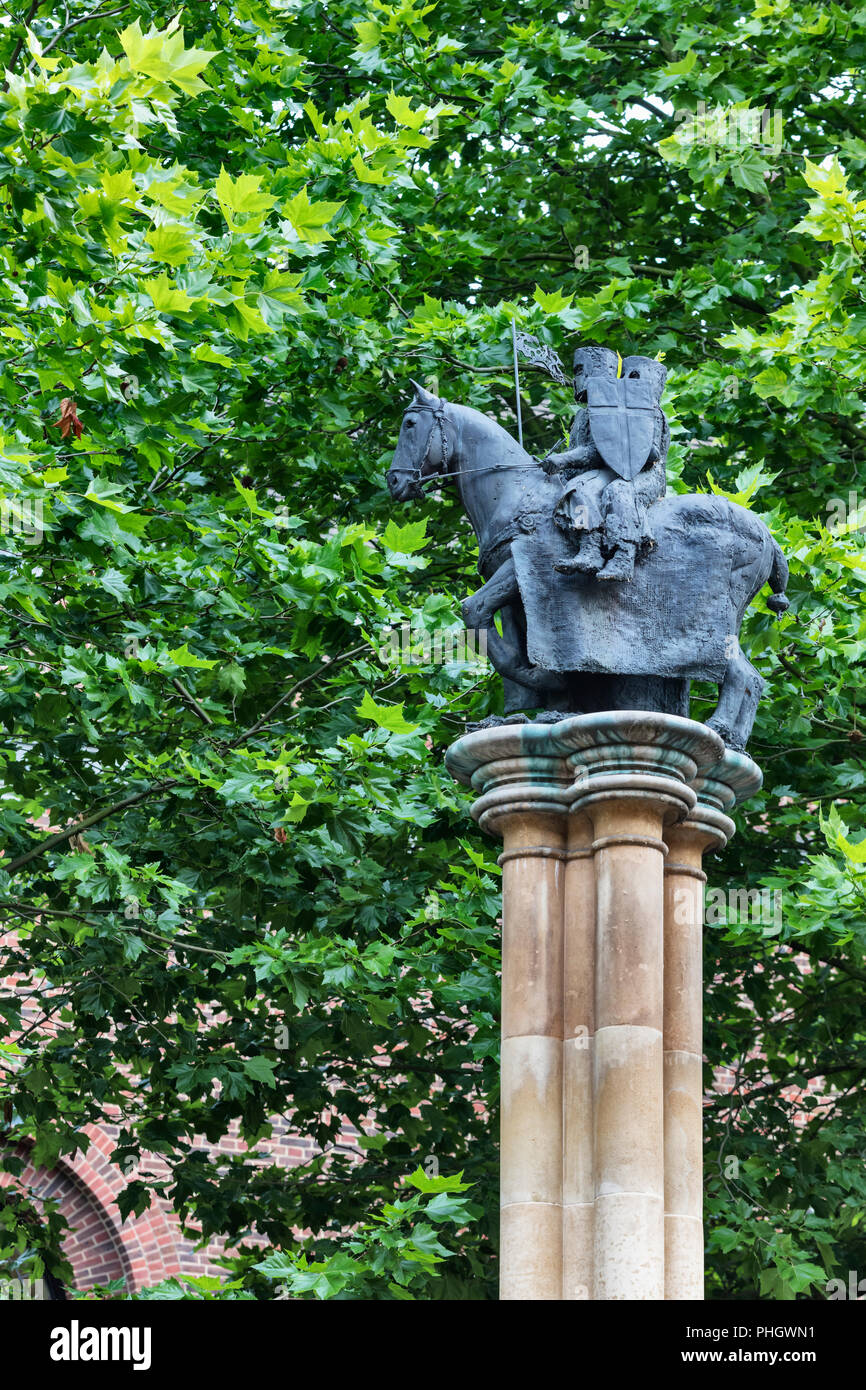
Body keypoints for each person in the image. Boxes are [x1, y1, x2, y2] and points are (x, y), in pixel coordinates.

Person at [541, 346, 668, 581]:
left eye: (581, 371)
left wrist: (564, 459)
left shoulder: (649, 412)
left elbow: (641, 454)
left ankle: (624, 555)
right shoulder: (586, 413)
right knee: (579, 490)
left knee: (618, 492)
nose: (577, 378)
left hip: (643, 475)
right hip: (608, 470)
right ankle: (589, 546)